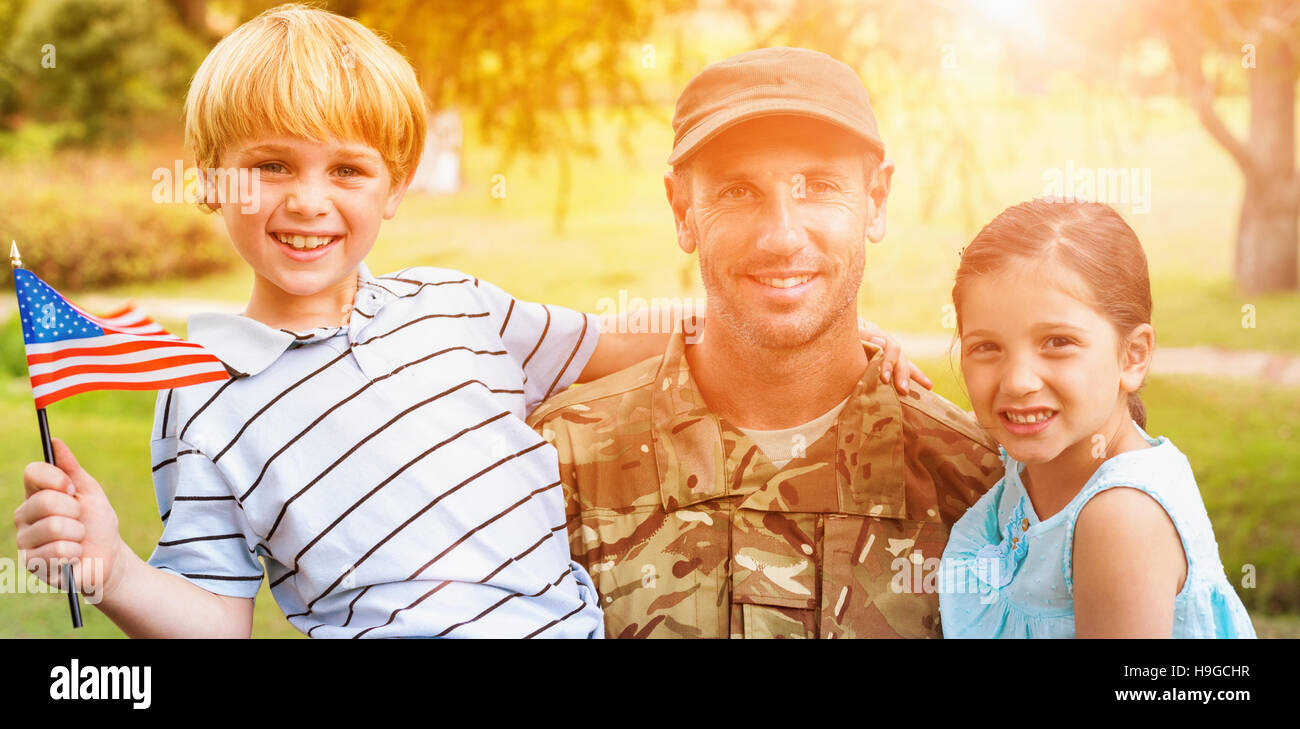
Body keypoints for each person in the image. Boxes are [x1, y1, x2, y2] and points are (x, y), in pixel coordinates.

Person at [12, 7, 920, 639]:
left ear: (396, 187)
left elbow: (632, 340)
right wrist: (116, 569)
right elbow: (217, 616)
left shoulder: (458, 308)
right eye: (271, 166)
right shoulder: (202, 398)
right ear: (209, 177)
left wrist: (844, 336)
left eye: (348, 171)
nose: (308, 201)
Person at [528, 47, 1004, 638]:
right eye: (737, 191)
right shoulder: (553, 467)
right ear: (683, 210)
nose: (782, 235)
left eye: (820, 186)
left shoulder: (978, 485)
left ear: (876, 200)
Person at [938, 199, 1256, 638]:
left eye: (1057, 342)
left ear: (1133, 355)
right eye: (986, 347)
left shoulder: (1121, 519)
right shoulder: (1040, 452)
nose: (1017, 382)